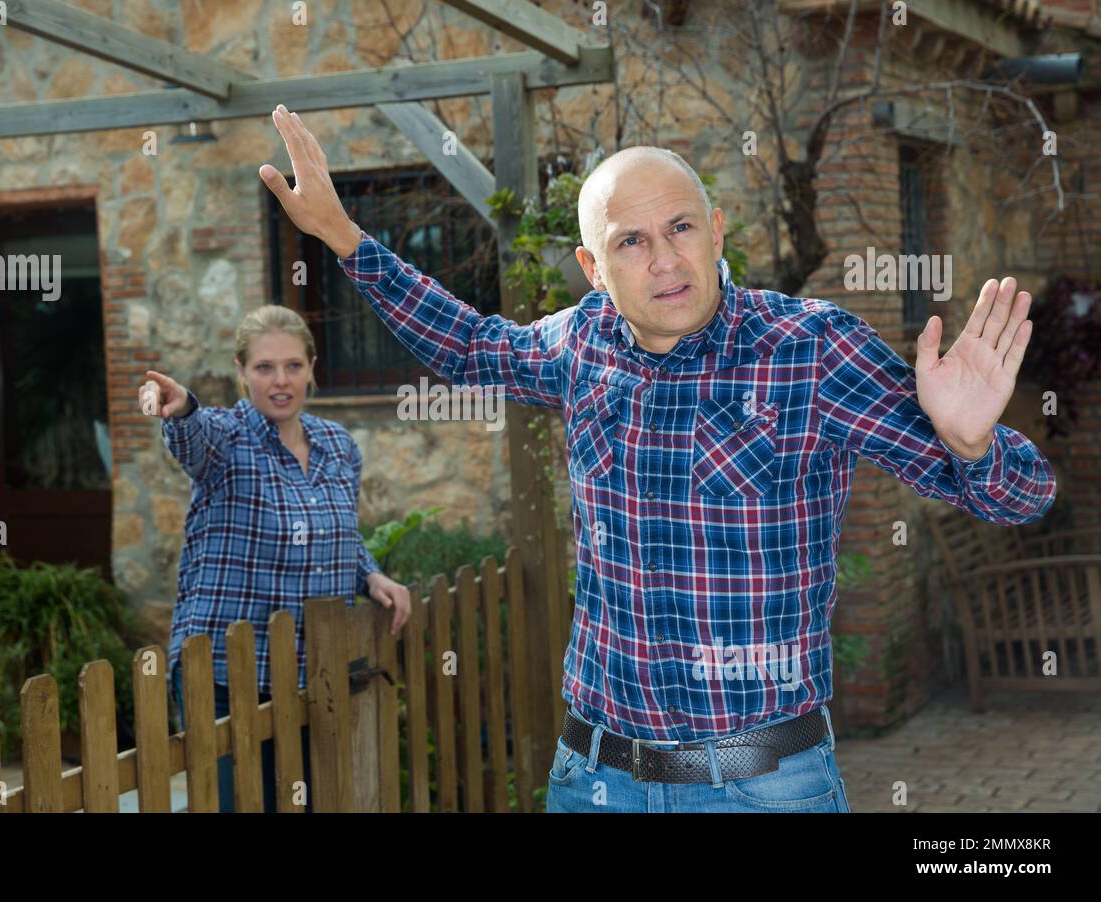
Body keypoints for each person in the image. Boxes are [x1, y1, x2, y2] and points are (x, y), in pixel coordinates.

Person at [258, 102, 1056, 812]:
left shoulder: (809, 352)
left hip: (761, 784)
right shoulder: (581, 344)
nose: (665, 261)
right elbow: (471, 345)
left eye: (679, 227)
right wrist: (341, 234)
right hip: (595, 776)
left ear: (715, 228)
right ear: (593, 270)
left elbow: (1022, 498)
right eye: (630, 241)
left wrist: (971, 441)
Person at [139, 304, 412, 812]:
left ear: (312, 368)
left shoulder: (338, 446)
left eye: (293, 365)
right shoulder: (225, 437)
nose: (280, 380)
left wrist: (371, 575)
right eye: (264, 367)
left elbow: (342, 537)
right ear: (241, 372)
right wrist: (180, 408)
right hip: (222, 671)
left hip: (309, 671)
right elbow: (193, 440)